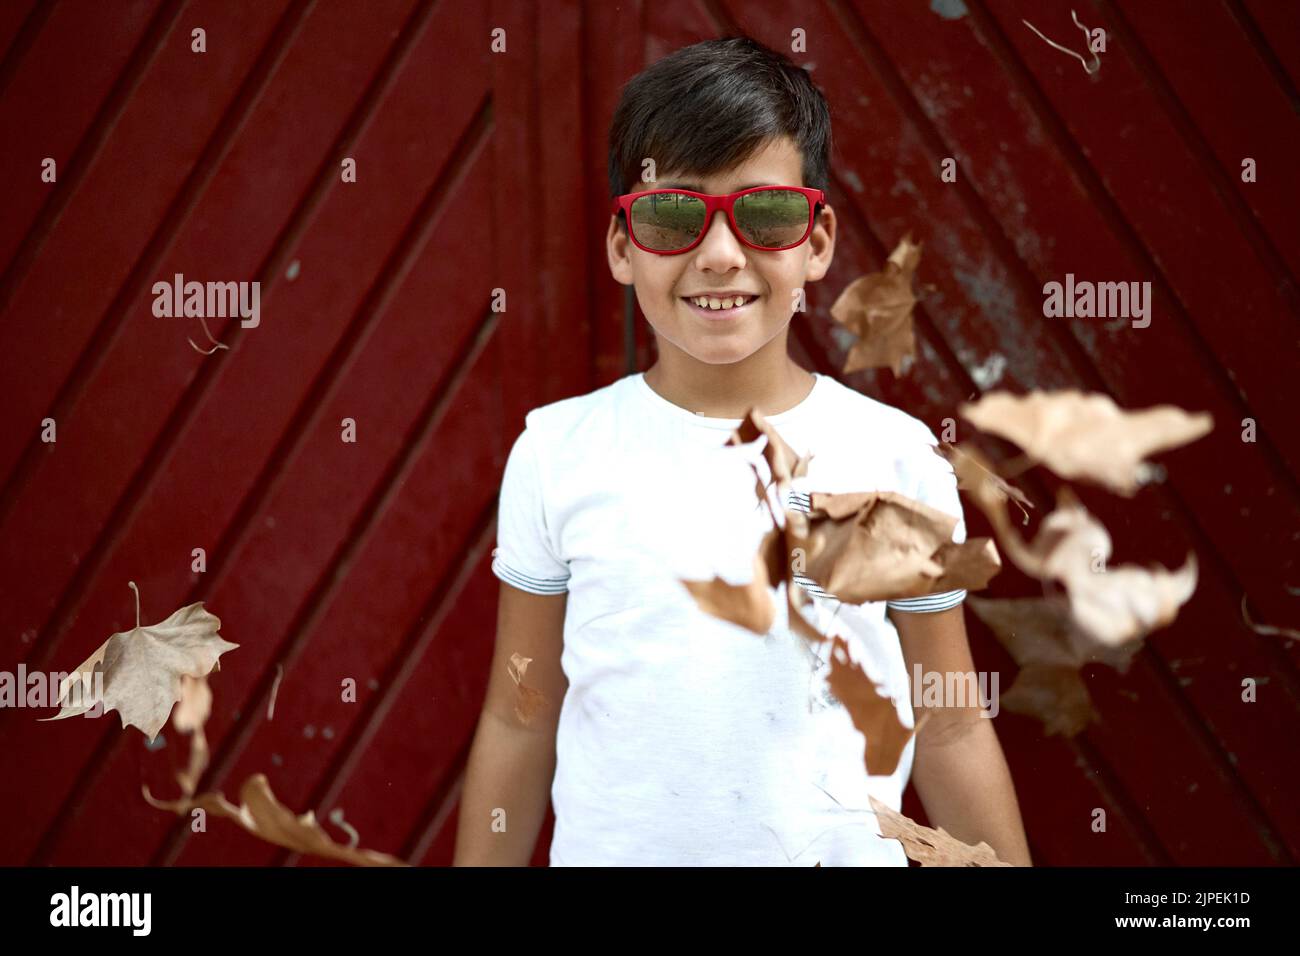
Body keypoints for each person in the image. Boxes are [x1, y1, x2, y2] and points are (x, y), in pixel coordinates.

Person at [454, 34, 1031, 867]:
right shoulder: (558, 454)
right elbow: (520, 713)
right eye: (672, 216)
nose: (720, 254)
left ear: (818, 242)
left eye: (764, 214)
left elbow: (947, 724)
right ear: (623, 246)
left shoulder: (894, 458)